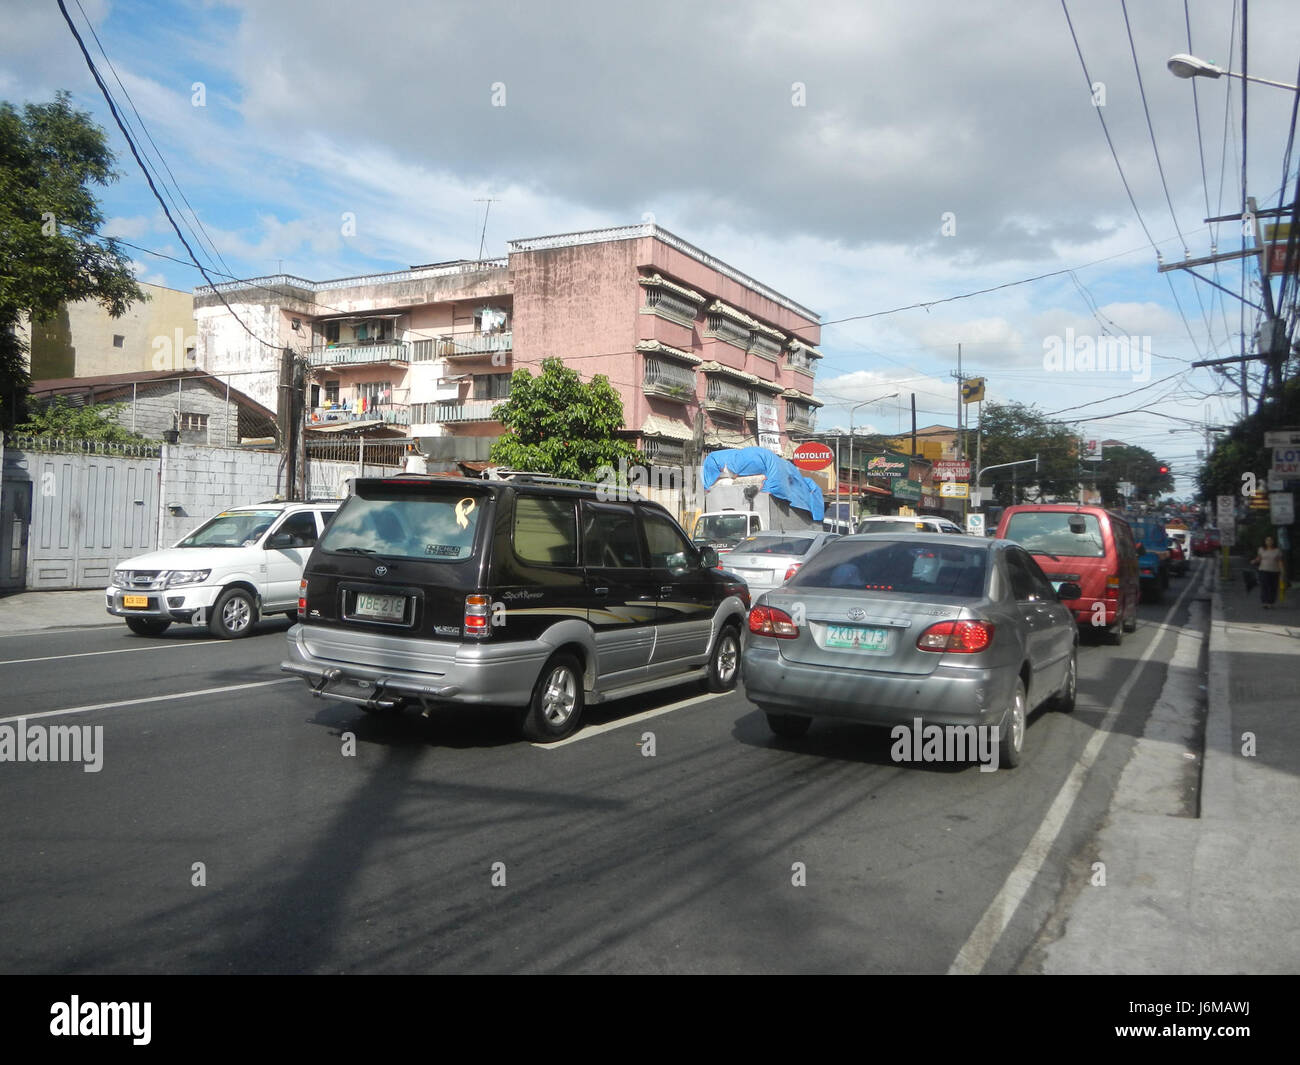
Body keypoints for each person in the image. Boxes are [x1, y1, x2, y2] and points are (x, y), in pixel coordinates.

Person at [1253, 535, 1286, 609]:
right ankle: (1264, 602)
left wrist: (1282, 571)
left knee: (1273, 587)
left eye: (1270, 540)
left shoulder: (1277, 550)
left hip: (1274, 571)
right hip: (1263, 570)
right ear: (1264, 541)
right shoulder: (1261, 549)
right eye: (1267, 540)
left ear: (1273, 541)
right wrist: (1254, 561)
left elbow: (1280, 562)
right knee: (1264, 586)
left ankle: (1271, 602)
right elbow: (1259, 558)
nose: (1269, 542)